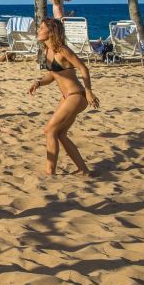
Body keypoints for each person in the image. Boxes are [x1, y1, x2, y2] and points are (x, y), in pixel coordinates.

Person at [28, 18, 99, 177]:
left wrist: (88, 92)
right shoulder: (47, 51)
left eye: (41, 28)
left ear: (51, 32)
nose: (38, 31)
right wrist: (38, 83)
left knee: (49, 130)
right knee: (60, 134)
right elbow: (53, 75)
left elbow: (83, 68)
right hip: (66, 97)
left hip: (77, 96)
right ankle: (83, 170)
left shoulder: (62, 50)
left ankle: (49, 172)